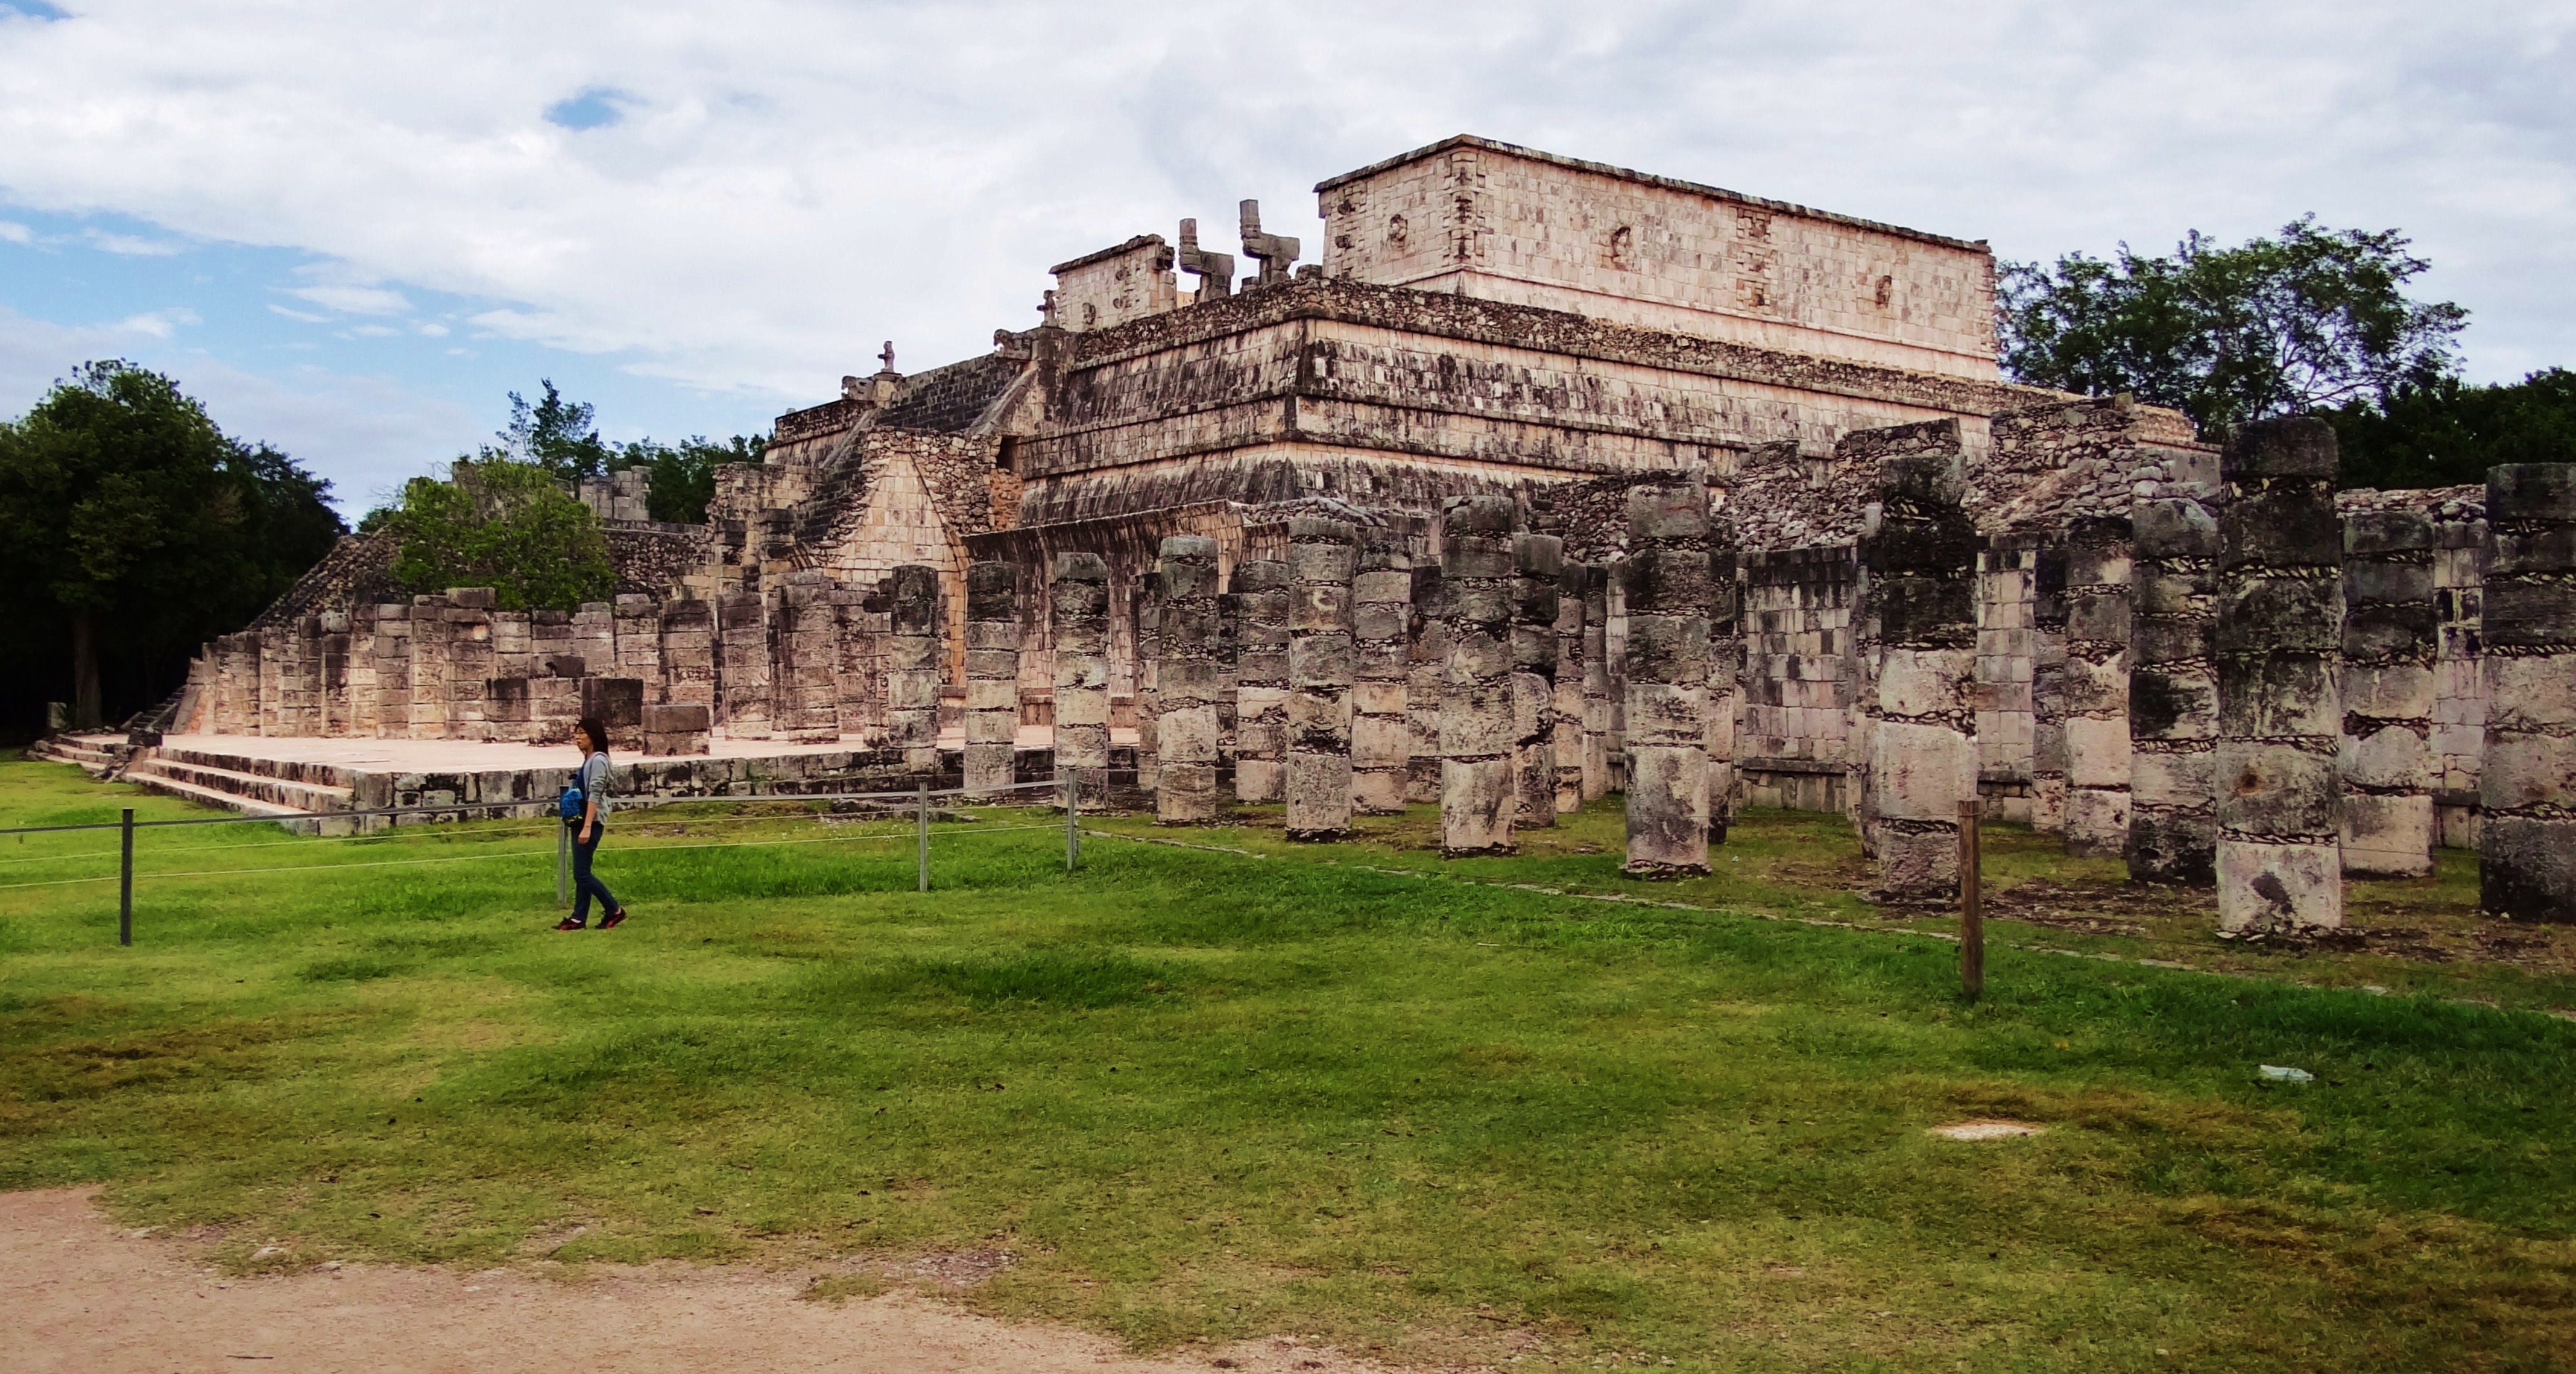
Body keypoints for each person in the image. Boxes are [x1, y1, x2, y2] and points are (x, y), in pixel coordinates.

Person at [557, 717, 630, 931]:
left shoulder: (598, 761)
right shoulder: (588, 760)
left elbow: (595, 795)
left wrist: (588, 826)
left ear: (593, 736)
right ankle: (579, 917)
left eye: (582, 733)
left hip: (590, 821)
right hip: (581, 820)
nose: (577, 738)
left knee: (581, 874)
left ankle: (614, 909)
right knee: (582, 870)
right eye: (576, 734)